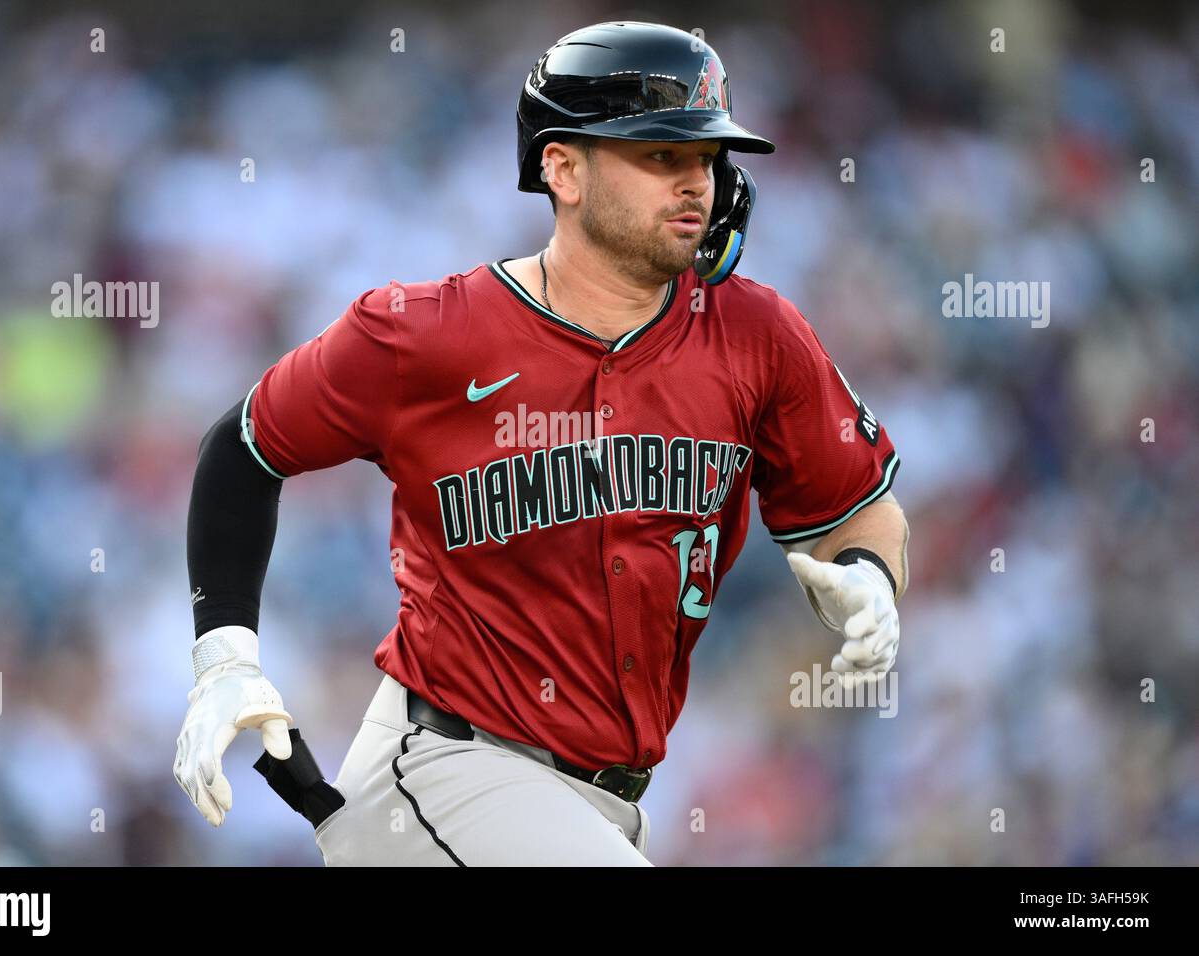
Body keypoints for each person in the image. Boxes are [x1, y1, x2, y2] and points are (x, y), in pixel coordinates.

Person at [175, 20, 908, 866]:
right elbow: (243, 445)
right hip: (448, 769)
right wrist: (224, 655)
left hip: (606, 807)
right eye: (659, 155)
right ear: (561, 167)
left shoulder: (757, 335)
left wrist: (868, 576)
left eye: (706, 158)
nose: (694, 183)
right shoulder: (425, 335)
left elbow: (857, 512)